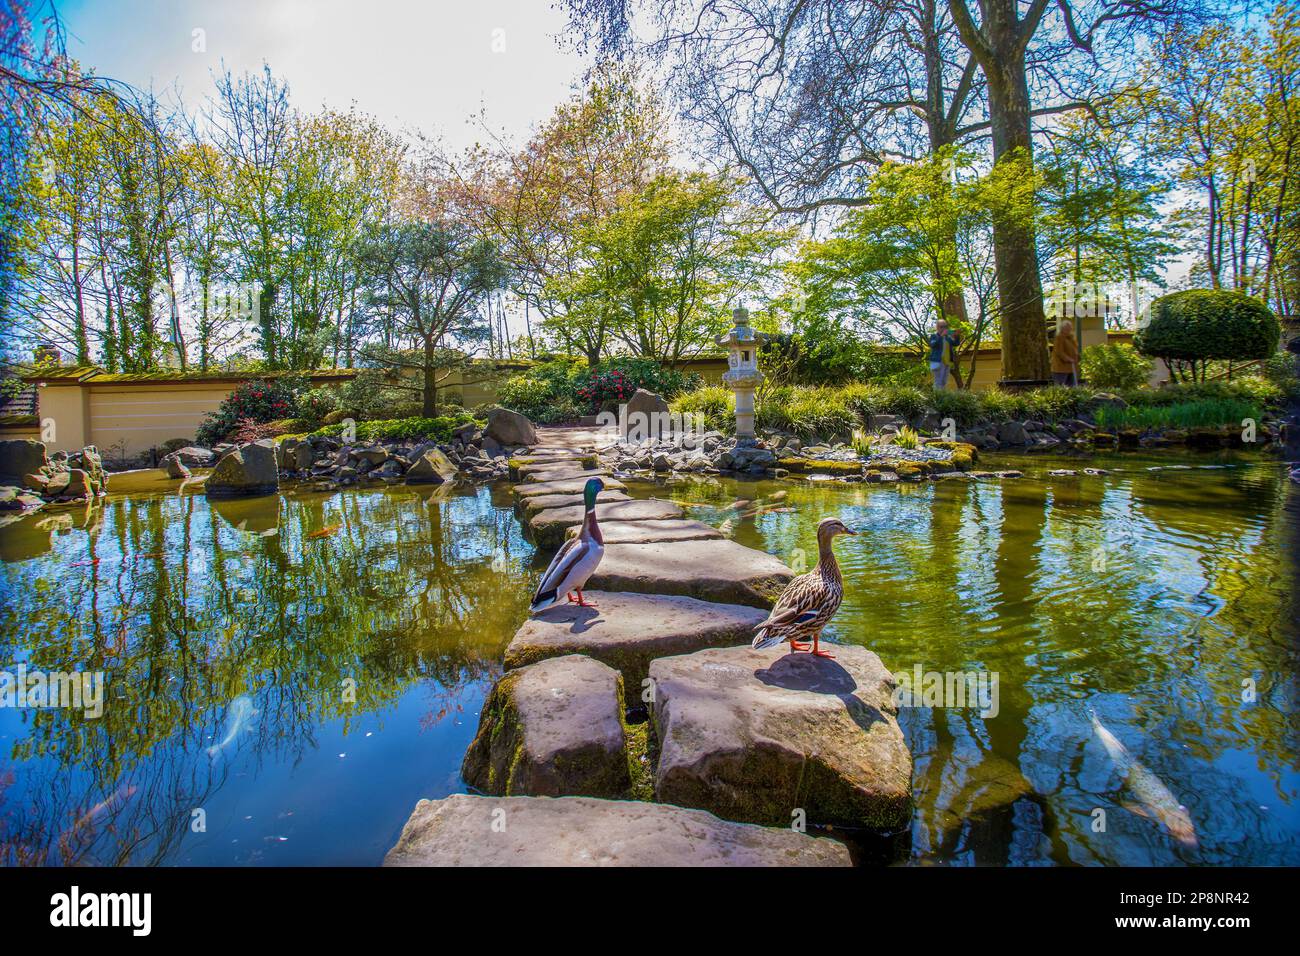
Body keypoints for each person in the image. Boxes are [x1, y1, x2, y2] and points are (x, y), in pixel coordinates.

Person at [927, 319, 960, 390]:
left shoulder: (948, 338)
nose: (944, 328)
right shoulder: (934, 336)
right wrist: (941, 336)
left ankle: (942, 397)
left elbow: (956, 343)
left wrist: (957, 336)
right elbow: (933, 345)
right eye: (941, 326)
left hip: (947, 361)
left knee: (944, 381)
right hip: (937, 361)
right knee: (938, 381)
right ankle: (937, 397)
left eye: (945, 326)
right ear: (937, 327)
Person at [1051, 319, 1080, 386]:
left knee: (1072, 386)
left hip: (1071, 368)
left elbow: (1075, 350)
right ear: (1062, 328)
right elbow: (1059, 351)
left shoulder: (1071, 338)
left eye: (1070, 328)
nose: (1069, 330)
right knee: (1061, 387)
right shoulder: (1059, 337)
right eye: (1067, 328)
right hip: (1060, 369)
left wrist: (1077, 357)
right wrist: (1068, 358)